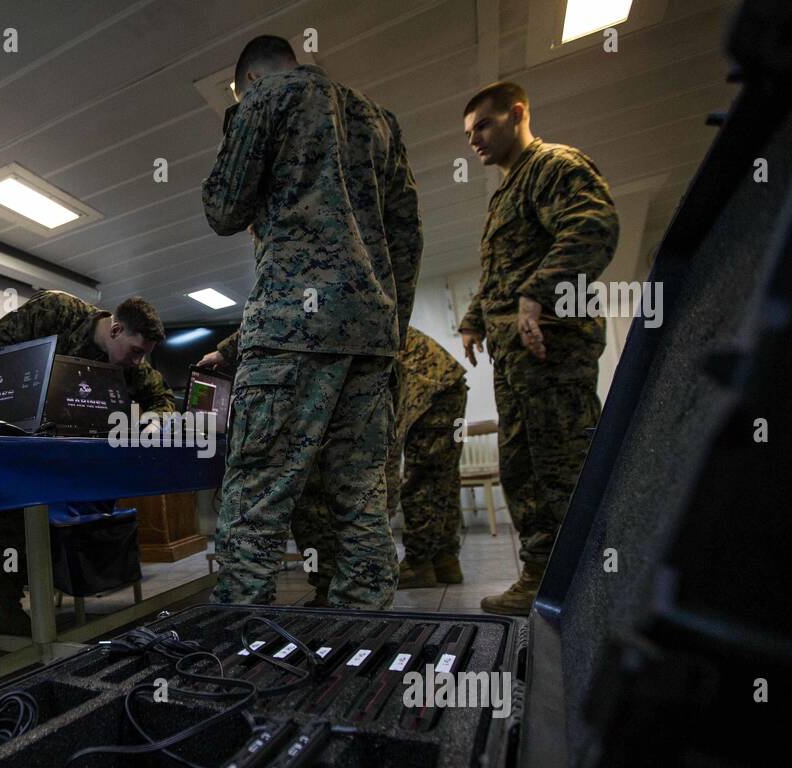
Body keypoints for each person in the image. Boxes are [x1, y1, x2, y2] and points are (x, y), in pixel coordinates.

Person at [201, 35, 421, 609]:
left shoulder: (267, 98)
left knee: (258, 496)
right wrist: (389, 329)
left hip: (292, 333)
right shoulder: (381, 120)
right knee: (362, 496)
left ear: (250, 81)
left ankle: (232, 650)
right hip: (371, 340)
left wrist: (242, 121)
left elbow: (223, 208)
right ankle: (366, 641)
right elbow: (407, 235)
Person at [0, 290, 171, 634]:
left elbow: (160, 396)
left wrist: (155, 420)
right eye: (136, 352)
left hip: (33, 433)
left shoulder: (126, 357)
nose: (137, 362)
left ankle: (9, 606)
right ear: (116, 330)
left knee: (9, 502)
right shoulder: (57, 311)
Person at [459, 81, 619, 614]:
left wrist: (537, 293)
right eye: (468, 132)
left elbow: (593, 226)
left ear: (517, 113)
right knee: (523, 468)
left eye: (483, 124)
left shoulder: (553, 165)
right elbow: (498, 275)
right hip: (515, 358)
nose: (474, 140)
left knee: (566, 465)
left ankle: (599, 578)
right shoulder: (505, 193)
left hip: (552, 347)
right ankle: (543, 575)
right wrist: (472, 322)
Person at [201, 326, 466, 603]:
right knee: (436, 479)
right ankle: (443, 561)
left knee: (412, 481)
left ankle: (416, 565)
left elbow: (284, 312)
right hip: (437, 379)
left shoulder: (310, 335)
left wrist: (227, 349)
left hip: (419, 380)